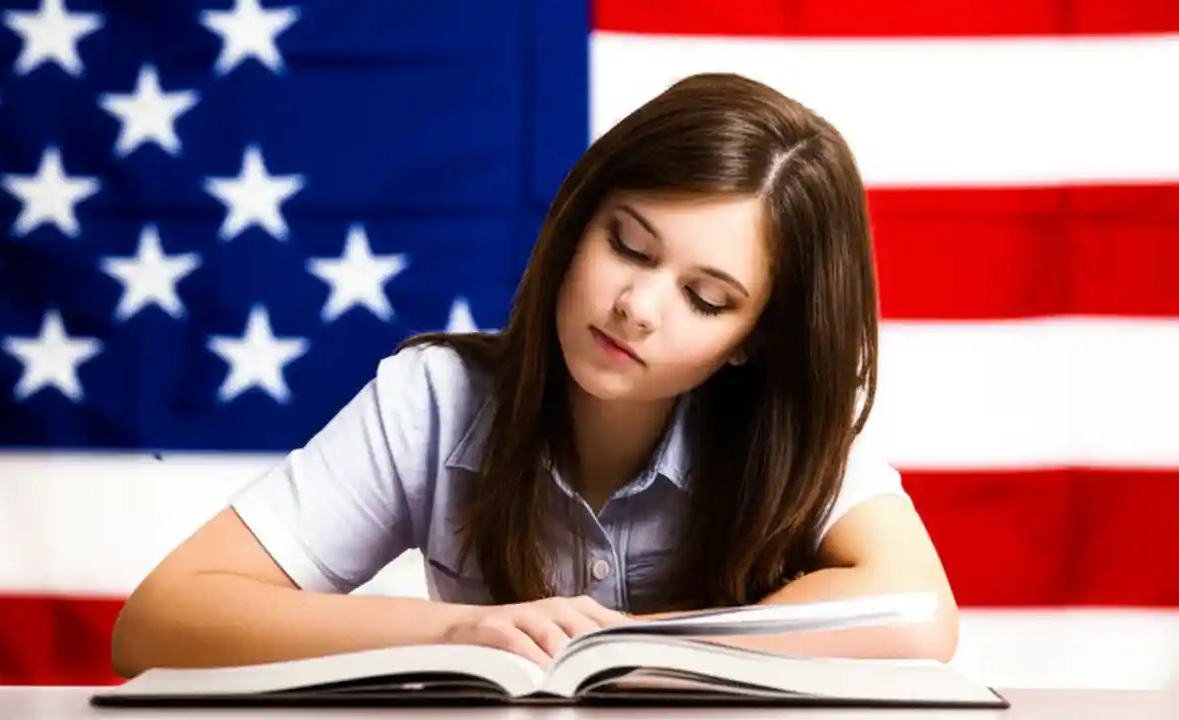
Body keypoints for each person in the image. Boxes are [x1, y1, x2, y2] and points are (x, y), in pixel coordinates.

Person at [110, 72, 959, 678]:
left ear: (752, 341)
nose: (636, 307)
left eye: (706, 299)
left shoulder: (789, 425)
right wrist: (460, 635)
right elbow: (160, 621)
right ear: (578, 220)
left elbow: (918, 617)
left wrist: (618, 650)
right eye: (628, 245)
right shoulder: (435, 397)